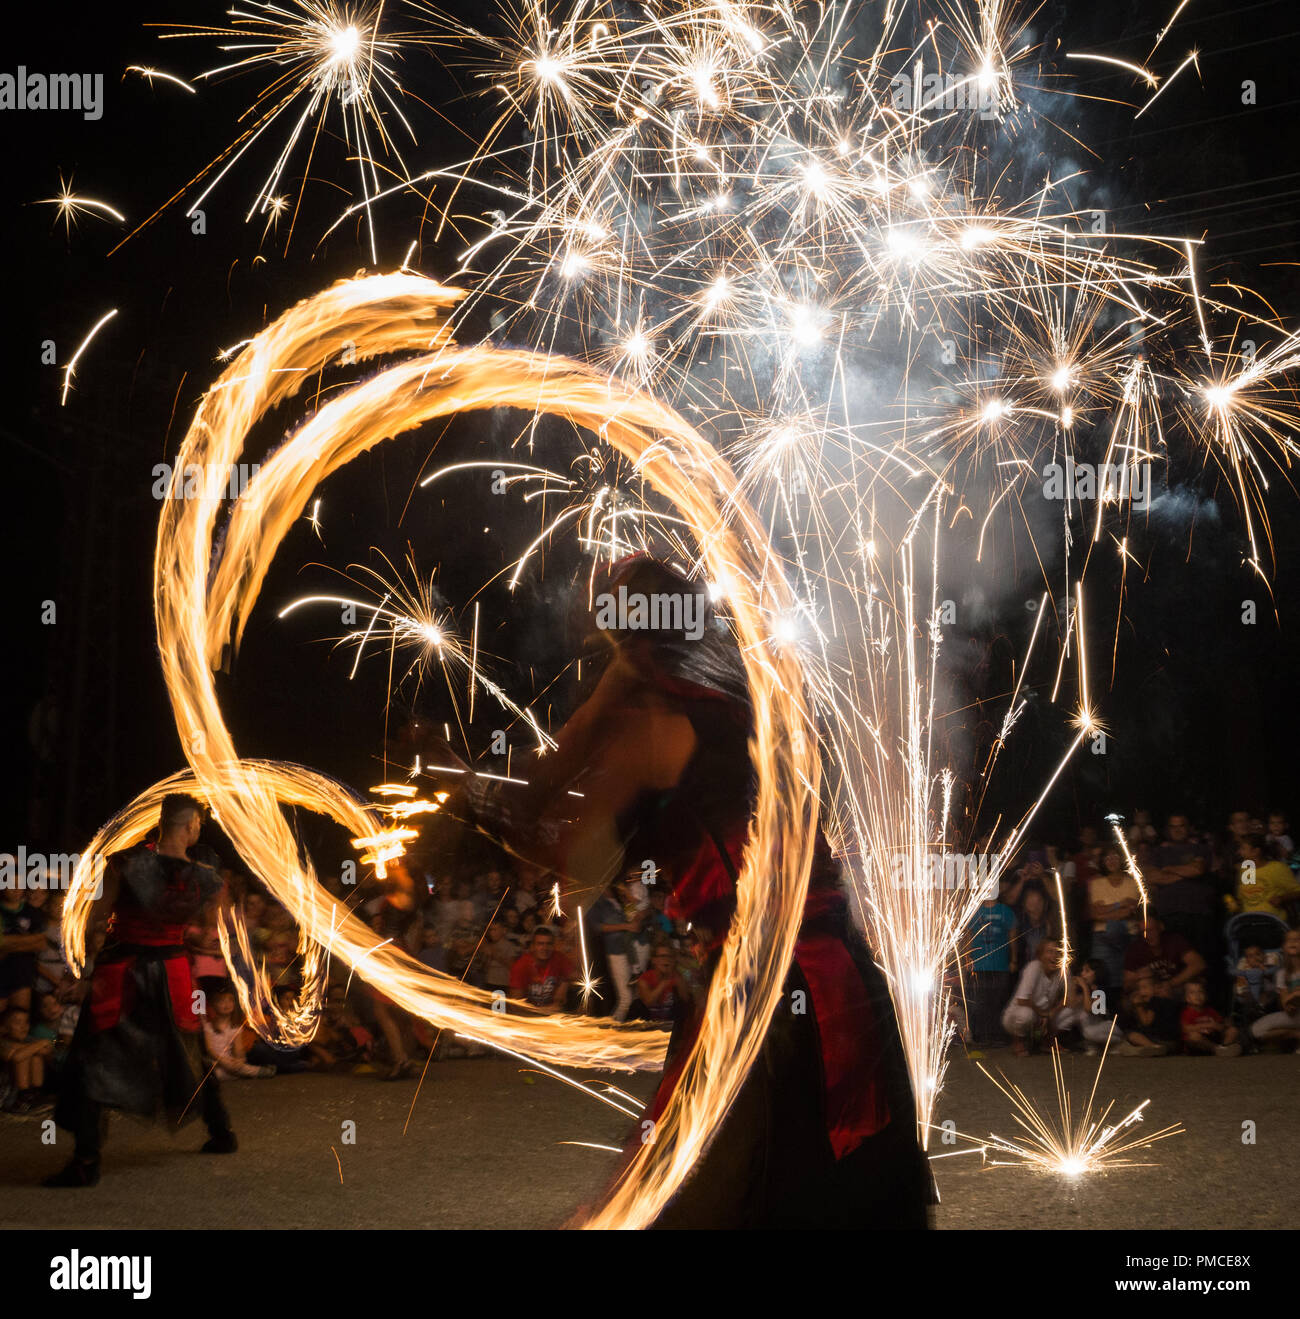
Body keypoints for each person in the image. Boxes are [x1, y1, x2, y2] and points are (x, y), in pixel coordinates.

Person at [451, 557, 929, 1228]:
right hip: (842, 980)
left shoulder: (650, 717)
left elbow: (575, 860)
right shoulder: (741, 695)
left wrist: (472, 799)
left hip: (764, 1009)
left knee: (706, 1205)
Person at [44, 794, 238, 1187]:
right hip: (172, 972)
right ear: (191, 827)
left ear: (159, 822)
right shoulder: (206, 878)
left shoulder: (125, 864)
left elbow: (97, 921)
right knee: (188, 1052)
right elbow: (212, 925)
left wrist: (82, 973)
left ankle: (86, 1159)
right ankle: (221, 1131)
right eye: (198, 825)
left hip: (123, 973)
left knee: (93, 1056)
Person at [1001, 939, 1068, 1056]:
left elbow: (1070, 996)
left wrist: (1052, 1013)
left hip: (1043, 1015)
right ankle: (1018, 1041)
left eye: (1058, 952)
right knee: (1026, 1014)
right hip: (1016, 1016)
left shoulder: (1063, 970)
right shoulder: (1034, 967)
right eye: (1049, 952)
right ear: (1040, 956)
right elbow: (1022, 1000)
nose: (1054, 956)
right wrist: (1043, 1014)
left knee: (1069, 1011)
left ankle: (1048, 1041)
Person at [966, 891, 1017, 1045]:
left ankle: (996, 1035)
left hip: (1000, 964)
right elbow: (968, 936)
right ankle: (981, 1036)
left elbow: (1013, 937)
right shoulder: (974, 911)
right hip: (979, 965)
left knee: (997, 1000)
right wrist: (967, 958)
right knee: (979, 1002)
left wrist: (1013, 959)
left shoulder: (1005, 911)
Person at [1087, 845, 1141, 993]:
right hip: (1102, 937)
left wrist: (1104, 913)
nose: (1111, 861)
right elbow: (1094, 913)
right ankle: (1100, 1013)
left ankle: (1121, 1013)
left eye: (1115, 857)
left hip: (1128, 936)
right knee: (1099, 981)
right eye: (1107, 857)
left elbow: (1131, 912)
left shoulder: (1132, 882)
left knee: (1127, 983)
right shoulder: (1097, 883)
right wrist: (1120, 904)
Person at [1251, 929, 1300, 1048]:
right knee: (1256, 1030)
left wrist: (1292, 995)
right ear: (1283, 946)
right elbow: (1285, 1004)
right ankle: (1296, 1035)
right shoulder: (1282, 974)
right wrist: (1293, 997)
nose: (1293, 942)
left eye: (1297, 939)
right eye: (1289, 939)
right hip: (1295, 1015)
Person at [1230, 834, 1300, 917]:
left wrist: (1282, 898)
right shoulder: (1244, 869)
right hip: (1248, 922)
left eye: (1243, 849)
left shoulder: (1277, 868)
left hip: (1272, 923)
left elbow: (1297, 891)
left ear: (1256, 851)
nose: (1239, 852)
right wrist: (1235, 905)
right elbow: (1244, 896)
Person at [508, 926, 573, 1013]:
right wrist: (542, 1011)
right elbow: (515, 1004)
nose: (545, 948)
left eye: (548, 944)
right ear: (532, 947)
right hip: (527, 1017)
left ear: (553, 946)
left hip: (553, 1015)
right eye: (540, 944)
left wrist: (565, 983)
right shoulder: (521, 965)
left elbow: (580, 977)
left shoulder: (558, 958)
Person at [1180, 979, 1241, 1056]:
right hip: (1199, 1042)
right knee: (1194, 1036)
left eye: (1200, 992)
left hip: (1213, 1037)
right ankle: (1217, 1049)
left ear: (1206, 995)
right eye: (1192, 993)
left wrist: (1218, 1026)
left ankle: (1224, 1046)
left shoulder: (1210, 1011)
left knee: (1233, 1030)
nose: (1197, 995)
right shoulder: (1187, 1012)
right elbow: (1185, 1028)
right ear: (1186, 998)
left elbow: (1221, 1026)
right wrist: (1208, 1025)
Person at [635, 941, 691, 1024]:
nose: (666, 959)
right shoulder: (645, 979)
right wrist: (664, 982)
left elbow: (686, 999)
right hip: (648, 1026)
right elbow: (648, 1002)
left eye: (669, 956)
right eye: (662, 956)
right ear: (654, 960)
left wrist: (676, 976)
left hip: (670, 1026)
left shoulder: (676, 976)